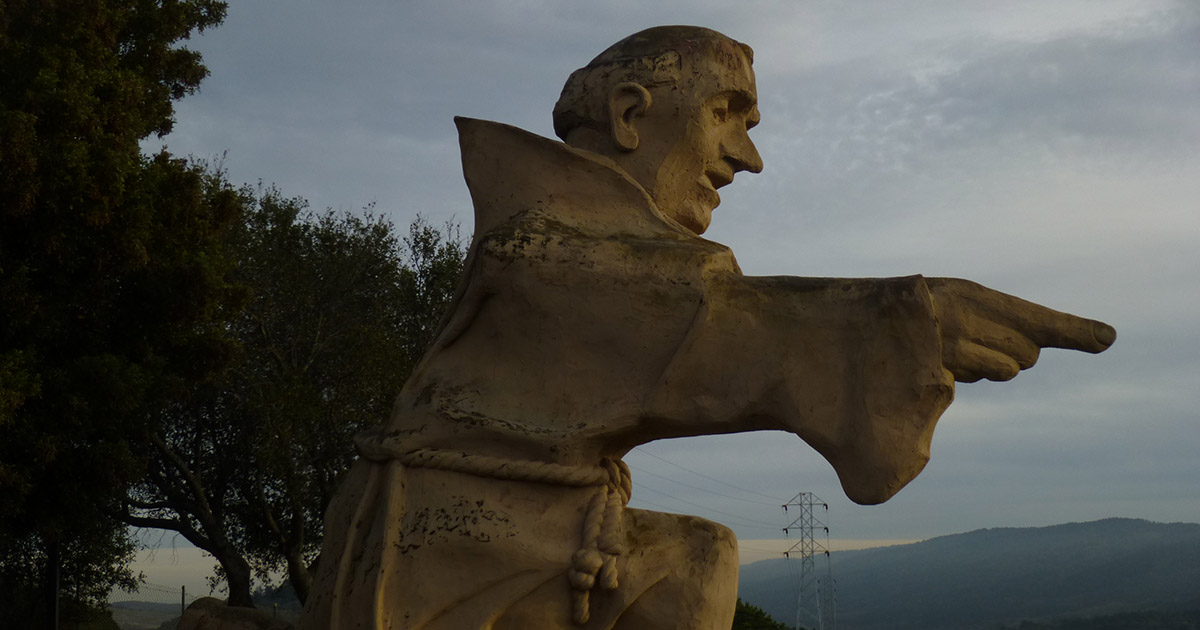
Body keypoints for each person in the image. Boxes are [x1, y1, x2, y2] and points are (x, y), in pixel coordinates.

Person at [300, 26, 1114, 630]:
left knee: (696, 558)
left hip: (507, 534)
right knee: (699, 562)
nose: (747, 158)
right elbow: (709, 324)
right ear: (629, 115)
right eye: (729, 115)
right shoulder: (540, 250)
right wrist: (910, 318)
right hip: (435, 561)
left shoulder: (564, 243)